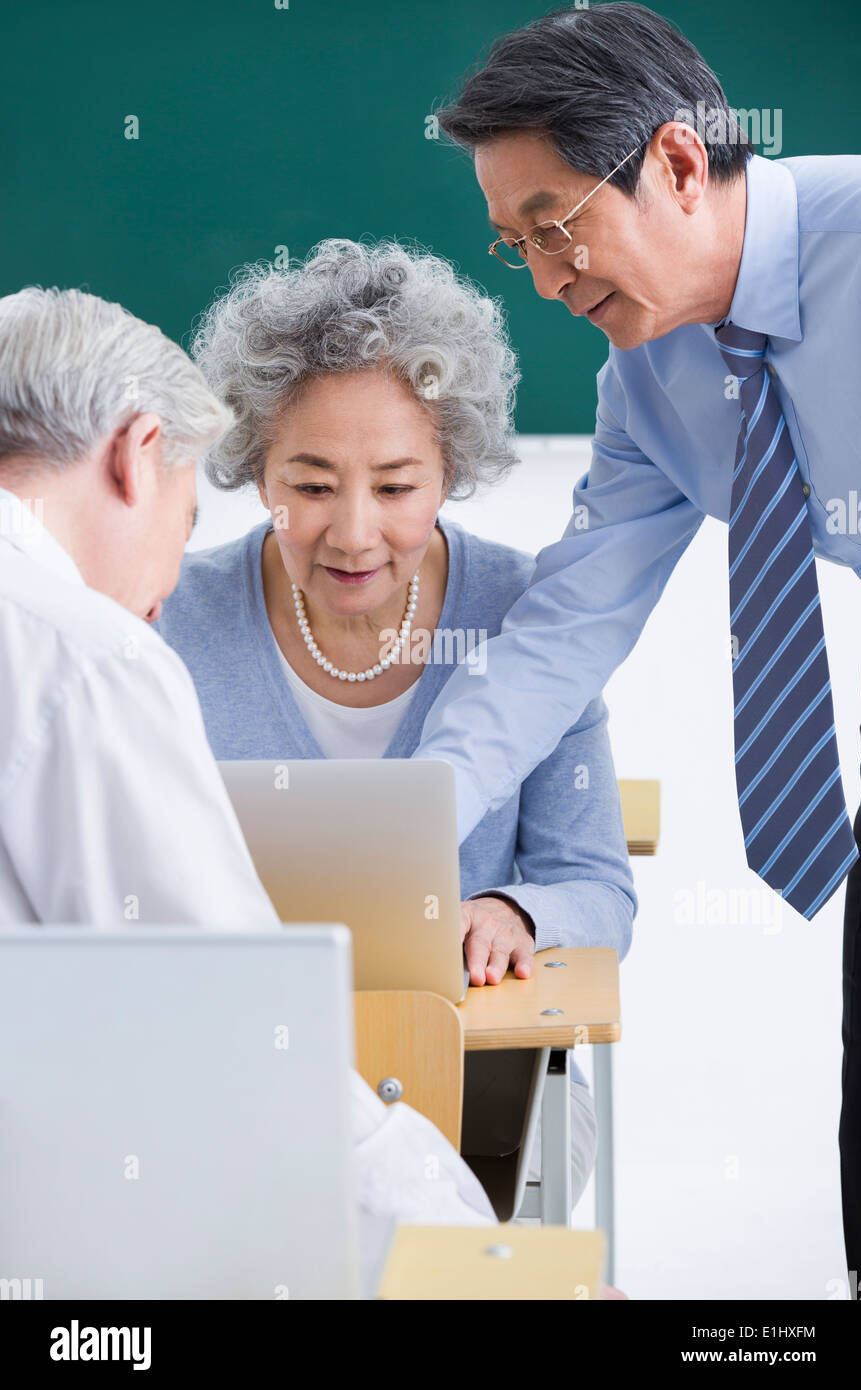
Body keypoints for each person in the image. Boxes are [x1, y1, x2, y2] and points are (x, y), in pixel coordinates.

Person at [410, 1, 861, 1285]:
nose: (549, 283)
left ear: (673, 160)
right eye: (518, 249)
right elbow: (563, 626)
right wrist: (417, 819)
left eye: (554, 226)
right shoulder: (650, 383)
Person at [0, 284, 498, 1298]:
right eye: (182, 525)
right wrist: (477, 1252)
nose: (170, 584)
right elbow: (227, 1030)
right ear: (138, 454)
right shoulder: (87, 659)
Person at [153, 237, 636, 1214]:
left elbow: (595, 887)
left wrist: (515, 913)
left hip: (480, 1082)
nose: (355, 531)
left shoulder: (529, 615)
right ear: (255, 470)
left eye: (397, 485)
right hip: (245, 1083)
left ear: (450, 469)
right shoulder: (172, 620)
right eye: (313, 483)